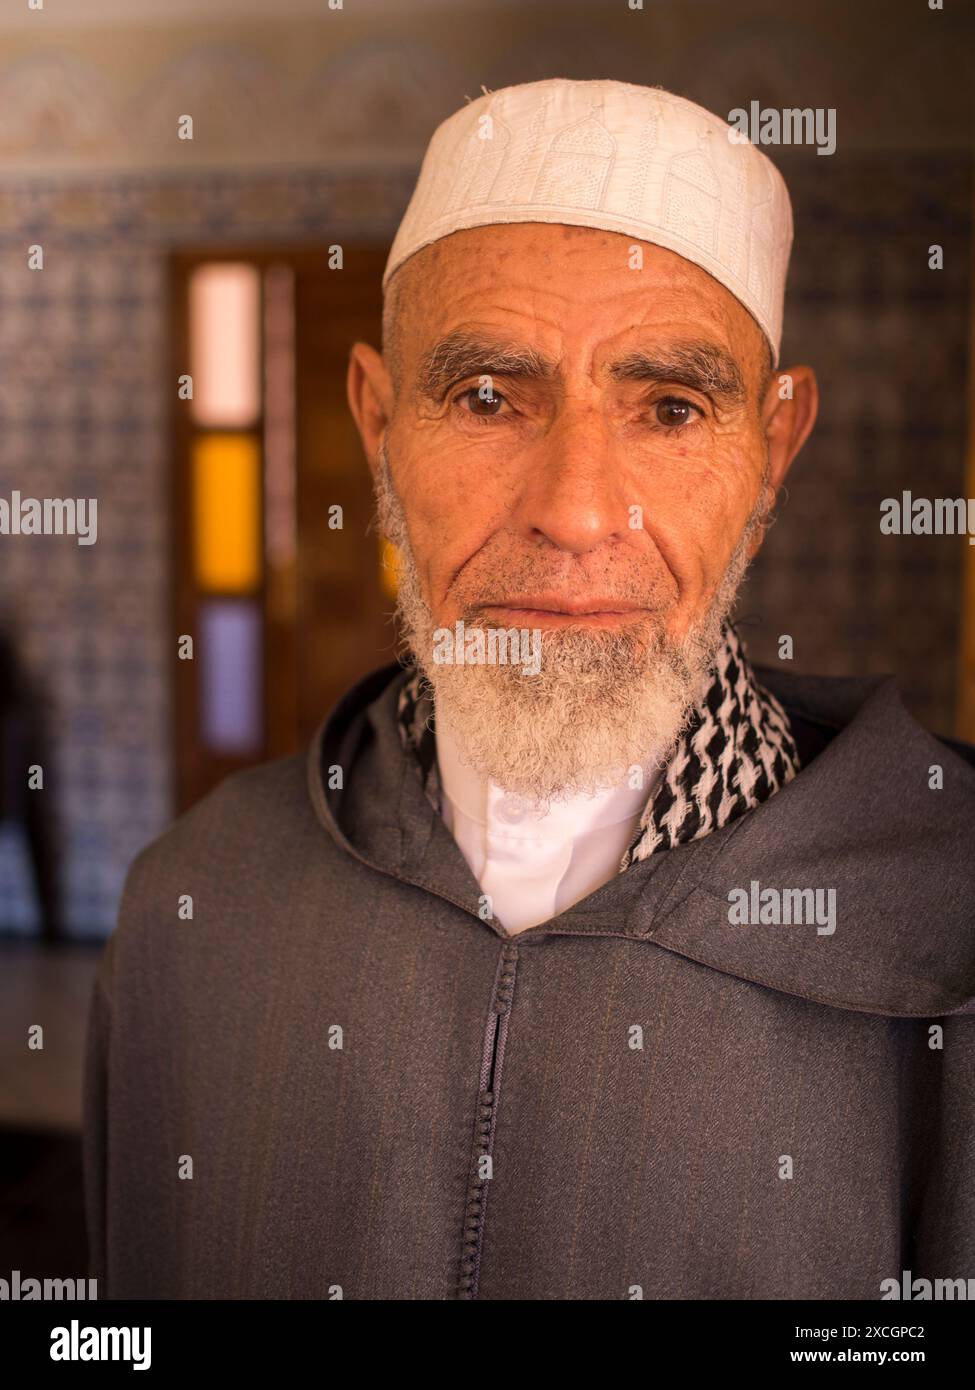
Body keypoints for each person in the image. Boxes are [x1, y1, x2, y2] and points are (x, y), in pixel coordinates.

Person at [83, 78, 975, 1301]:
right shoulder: (194, 909)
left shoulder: (946, 921)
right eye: (490, 396)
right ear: (379, 422)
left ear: (772, 452)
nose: (576, 511)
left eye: (670, 408)